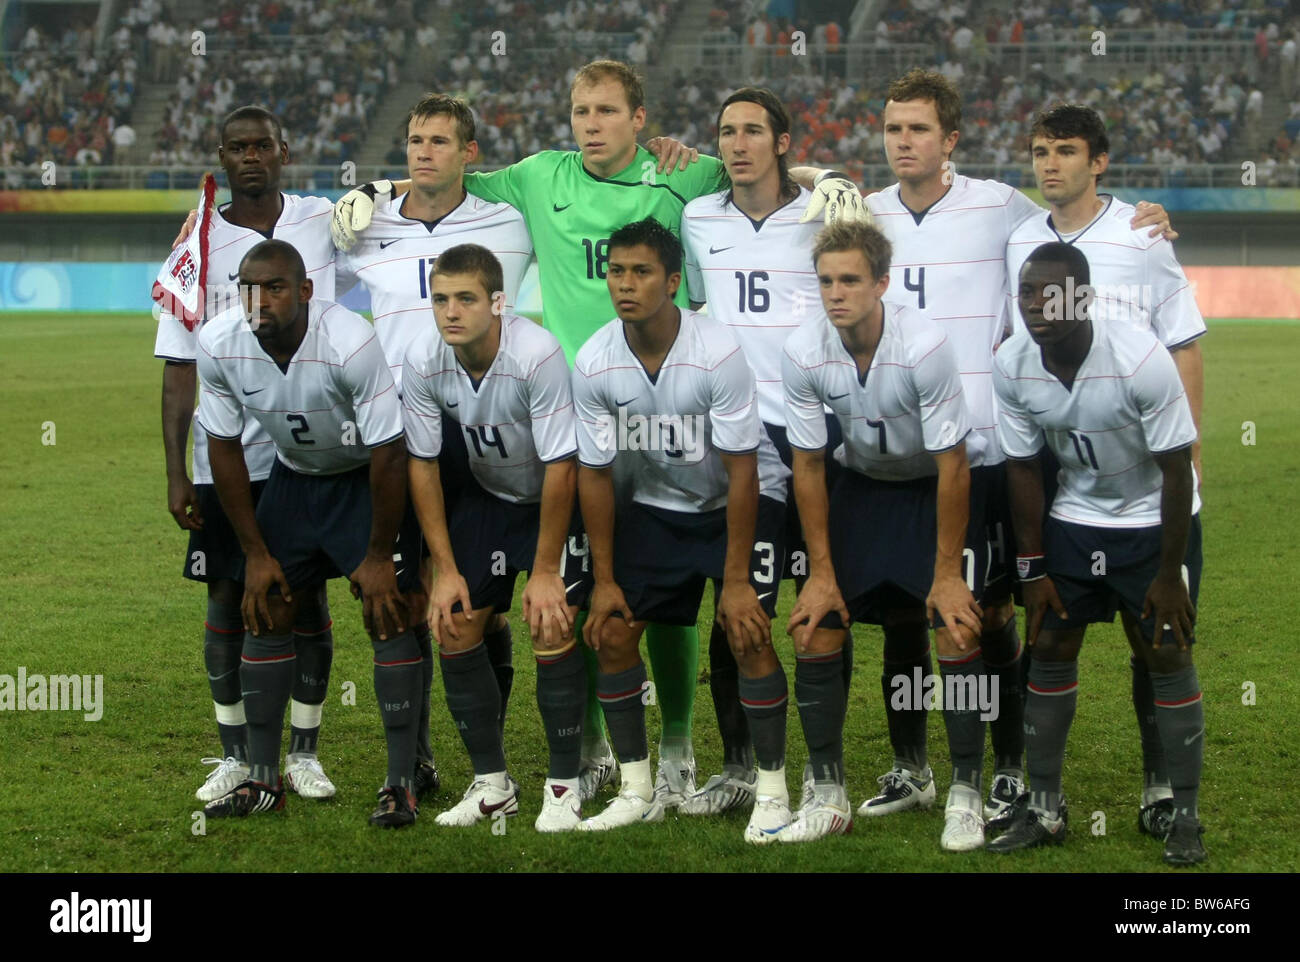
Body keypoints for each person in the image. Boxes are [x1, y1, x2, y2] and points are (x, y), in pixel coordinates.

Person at [331, 62, 866, 807]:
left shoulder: (682, 175)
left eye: (607, 111)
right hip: (576, 413)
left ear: (639, 119)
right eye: (581, 109)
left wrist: (823, 173)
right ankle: (589, 752)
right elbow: (443, 177)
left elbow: (762, 167)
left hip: (672, 405)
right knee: (590, 596)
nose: (591, 123)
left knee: (668, 585)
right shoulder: (537, 176)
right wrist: (374, 190)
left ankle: (676, 746)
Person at [861, 69, 1175, 830]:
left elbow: (1078, 218)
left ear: (952, 139)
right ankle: (913, 767)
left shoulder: (1004, 209)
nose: (903, 141)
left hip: (986, 450)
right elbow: (800, 200)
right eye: (893, 129)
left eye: (918, 129)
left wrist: (1147, 217)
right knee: (904, 614)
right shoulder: (861, 212)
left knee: (989, 614)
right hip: (888, 452)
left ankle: (1006, 769)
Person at [1005, 103, 1207, 841]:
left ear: (1099, 161)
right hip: (1072, 482)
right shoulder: (1018, 234)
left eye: (1064, 150)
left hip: (1153, 475)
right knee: (1054, 637)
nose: (1049, 162)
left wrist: (1188, 448)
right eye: (1039, 150)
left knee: (1153, 638)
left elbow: (1183, 342)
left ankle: (1166, 794)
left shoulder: (1142, 234)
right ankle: (1044, 805)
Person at [334, 93, 535, 802]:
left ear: (469, 154)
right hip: (392, 436)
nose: (423, 152)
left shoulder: (509, 222)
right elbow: (312, 288)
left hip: (478, 433)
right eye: (415, 140)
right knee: (401, 593)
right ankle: (411, 763)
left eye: (440, 142)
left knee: (482, 600)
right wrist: (367, 191)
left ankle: (490, 745)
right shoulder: (363, 227)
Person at [571, 219, 792, 842]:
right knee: (611, 632)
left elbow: (744, 472)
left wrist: (737, 580)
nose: (625, 284)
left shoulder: (716, 352)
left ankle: (772, 792)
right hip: (658, 506)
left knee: (747, 633)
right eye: (616, 271)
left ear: (672, 282)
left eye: (641, 272)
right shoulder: (594, 361)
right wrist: (606, 580)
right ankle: (639, 788)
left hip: (736, 504)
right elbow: (594, 475)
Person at [197, 239, 423, 826]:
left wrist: (377, 553)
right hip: (293, 484)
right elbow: (222, 446)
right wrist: (253, 551)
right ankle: (263, 779)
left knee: (389, 612)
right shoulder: (220, 343)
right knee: (266, 606)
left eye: (274, 287)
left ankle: (401, 783)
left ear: (304, 291)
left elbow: (388, 451)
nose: (259, 300)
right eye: (249, 287)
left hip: (361, 483)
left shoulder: (348, 339)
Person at [155, 105, 338, 805]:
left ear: (284, 152)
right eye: (238, 147)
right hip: (224, 457)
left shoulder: (324, 220)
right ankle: (234, 752)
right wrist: (177, 473)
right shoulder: (198, 242)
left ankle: (304, 753)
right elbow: (177, 366)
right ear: (222, 157)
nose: (251, 156)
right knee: (228, 596)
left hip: (306, 451)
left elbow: (404, 206)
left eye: (262, 145)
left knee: (307, 595)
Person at [783, 221, 984, 845]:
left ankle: (967, 790)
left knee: (953, 628)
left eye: (850, 280)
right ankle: (834, 789)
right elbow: (809, 464)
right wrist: (819, 574)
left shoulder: (923, 346)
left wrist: (947, 574)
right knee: (816, 626)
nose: (836, 293)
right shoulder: (802, 351)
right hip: (862, 487)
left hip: (931, 488)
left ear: (881, 284)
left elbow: (954, 463)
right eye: (825, 281)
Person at [678, 87, 846, 817]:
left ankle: (825, 773)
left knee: (819, 607)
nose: (737, 143)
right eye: (726, 131)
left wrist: (825, 177)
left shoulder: (823, 213)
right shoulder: (695, 217)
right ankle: (740, 764)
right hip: (731, 435)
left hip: (812, 430)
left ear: (784, 142)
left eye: (753, 131)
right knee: (735, 598)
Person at [402, 244, 588, 832]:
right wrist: (445, 569)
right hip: (488, 500)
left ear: (498, 302)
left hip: (554, 503)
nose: (450, 312)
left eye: (465, 298)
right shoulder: (423, 358)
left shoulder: (537, 355)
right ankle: (492, 785)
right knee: (454, 624)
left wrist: (545, 569)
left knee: (551, 622)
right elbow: (424, 464)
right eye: (440, 299)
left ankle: (564, 785)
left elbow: (563, 465)